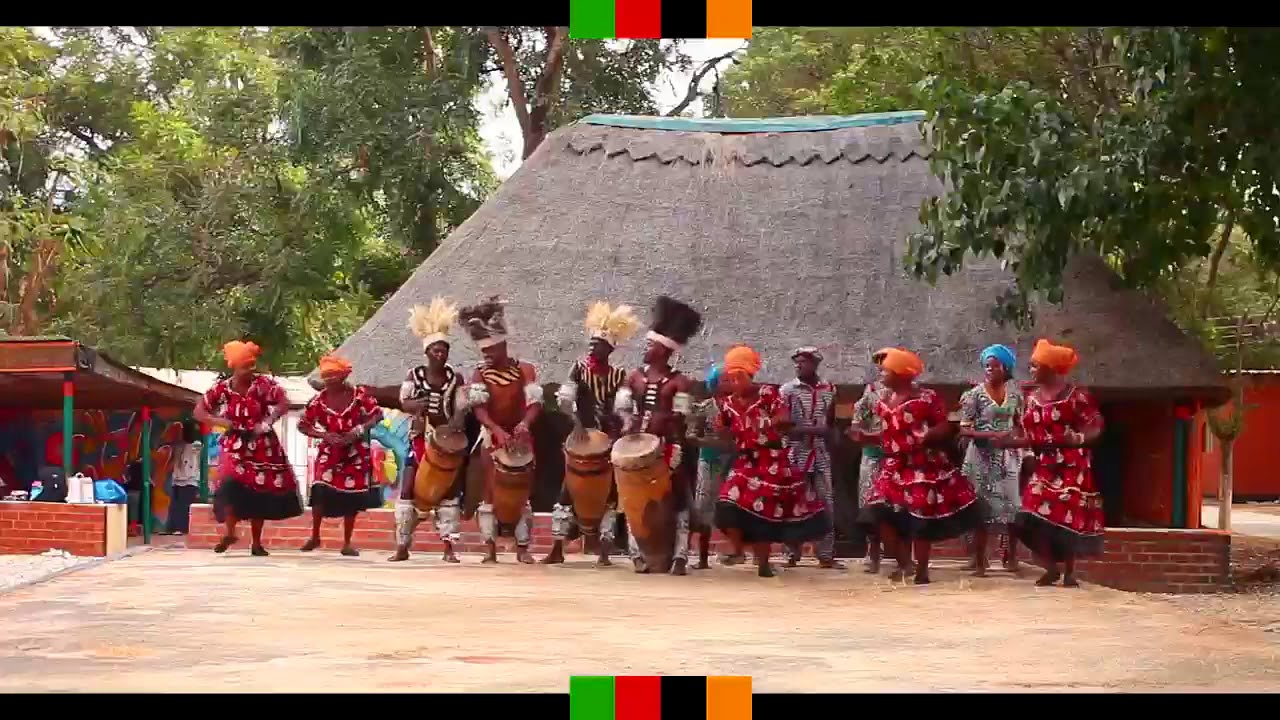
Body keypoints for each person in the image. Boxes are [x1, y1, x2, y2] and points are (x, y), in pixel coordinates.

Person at [852, 348, 984, 584]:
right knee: (877, 513)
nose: (880, 374)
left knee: (919, 519)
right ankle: (905, 563)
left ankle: (922, 571)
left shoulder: (926, 398)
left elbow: (944, 426)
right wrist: (866, 437)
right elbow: (887, 434)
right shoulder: (881, 401)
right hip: (894, 465)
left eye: (886, 370)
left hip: (923, 465)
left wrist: (930, 434)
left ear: (902, 373)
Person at [712, 345, 831, 578]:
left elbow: (783, 419)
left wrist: (775, 422)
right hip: (746, 461)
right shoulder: (728, 403)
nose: (734, 382)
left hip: (772, 461)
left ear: (750, 375)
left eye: (739, 376)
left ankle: (764, 564)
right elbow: (725, 431)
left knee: (763, 513)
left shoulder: (768, 394)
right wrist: (722, 431)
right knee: (727, 501)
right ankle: (738, 550)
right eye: (730, 378)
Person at [997, 339, 1105, 588]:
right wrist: (1008, 442)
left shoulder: (1076, 396)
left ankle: (1069, 572)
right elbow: (1029, 435)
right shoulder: (1031, 399)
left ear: (1052, 368)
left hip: (1072, 466)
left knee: (1065, 519)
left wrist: (1078, 438)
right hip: (1044, 466)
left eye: (1035, 365)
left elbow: (1096, 425)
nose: (1031, 370)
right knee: (1026, 516)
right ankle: (1051, 567)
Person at [545, 302, 638, 566]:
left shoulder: (619, 375)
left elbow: (624, 409)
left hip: (607, 441)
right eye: (591, 343)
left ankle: (605, 550)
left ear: (609, 348)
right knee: (567, 491)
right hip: (581, 438)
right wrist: (575, 423)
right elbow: (564, 399)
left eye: (597, 344)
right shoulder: (579, 369)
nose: (592, 347)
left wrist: (620, 431)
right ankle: (557, 548)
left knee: (609, 495)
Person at [616, 295, 703, 575]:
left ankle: (680, 555)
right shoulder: (633, 377)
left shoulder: (681, 382)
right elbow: (623, 406)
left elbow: (682, 415)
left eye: (651, 344)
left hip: (670, 447)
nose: (646, 347)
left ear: (665, 351)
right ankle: (636, 553)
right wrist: (629, 421)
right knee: (630, 497)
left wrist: (672, 432)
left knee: (678, 498)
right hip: (635, 445)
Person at [193, 341, 303, 556]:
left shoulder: (263, 384)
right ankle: (230, 532)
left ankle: (256, 543)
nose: (249, 371)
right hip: (235, 443)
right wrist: (223, 422)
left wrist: (268, 421)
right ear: (234, 366)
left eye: (252, 366)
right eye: (245, 367)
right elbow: (199, 411)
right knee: (230, 483)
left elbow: (283, 403)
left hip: (262, 443)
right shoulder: (222, 389)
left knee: (258, 492)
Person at [459, 297, 541, 564]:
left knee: (523, 491)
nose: (486, 356)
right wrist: (495, 429)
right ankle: (490, 547)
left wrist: (524, 425)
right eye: (483, 352)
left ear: (503, 345)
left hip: (521, 435)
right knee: (490, 490)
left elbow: (535, 402)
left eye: (490, 351)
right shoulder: (479, 374)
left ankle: (523, 548)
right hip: (492, 437)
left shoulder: (525, 369)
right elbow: (479, 408)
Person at [391, 298, 469, 563]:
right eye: (436, 350)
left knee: (448, 492)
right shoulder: (414, 375)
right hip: (419, 437)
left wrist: (458, 418)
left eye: (444, 350)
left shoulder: (455, 378)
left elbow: (461, 404)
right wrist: (416, 405)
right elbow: (403, 401)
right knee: (408, 490)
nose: (441, 354)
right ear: (427, 352)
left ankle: (449, 548)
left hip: (446, 439)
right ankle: (402, 546)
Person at [296, 354, 384, 556]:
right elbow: (303, 425)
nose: (329, 382)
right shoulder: (318, 401)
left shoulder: (359, 395)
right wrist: (324, 434)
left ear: (342, 377)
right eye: (326, 378)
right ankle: (315, 536)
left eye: (333, 378)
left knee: (351, 498)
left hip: (355, 452)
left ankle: (346, 543)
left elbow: (377, 414)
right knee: (319, 489)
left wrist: (359, 430)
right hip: (330, 451)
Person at [957, 344, 1025, 576]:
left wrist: (1020, 446)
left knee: (1013, 508)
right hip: (980, 457)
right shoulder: (973, 395)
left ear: (1006, 367)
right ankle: (979, 560)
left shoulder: (1015, 395)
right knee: (981, 509)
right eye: (987, 365)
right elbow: (964, 429)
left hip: (1007, 457)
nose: (989, 369)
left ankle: (1011, 556)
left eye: (994, 365)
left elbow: (1020, 424)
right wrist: (990, 435)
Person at [781, 347, 844, 570]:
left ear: (815, 364)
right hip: (795, 453)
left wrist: (827, 437)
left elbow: (831, 422)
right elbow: (783, 426)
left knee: (825, 502)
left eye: (803, 362)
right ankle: (791, 553)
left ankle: (826, 554)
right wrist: (811, 430)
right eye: (796, 362)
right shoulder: (787, 390)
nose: (798, 366)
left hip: (820, 454)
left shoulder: (829, 389)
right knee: (792, 502)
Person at [850, 348, 898, 574]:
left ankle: (901, 556)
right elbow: (857, 422)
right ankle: (873, 554)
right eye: (879, 365)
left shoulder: (909, 393)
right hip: (873, 457)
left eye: (886, 365)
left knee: (899, 507)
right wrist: (859, 433)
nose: (881, 369)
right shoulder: (870, 393)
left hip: (898, 458)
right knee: (871, 505)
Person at [690, 363, 734, 569]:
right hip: (709, 460)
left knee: (732, 506)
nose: (728, 384)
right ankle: (703, 558)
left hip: (731, 462)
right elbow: (694, 434)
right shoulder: (706, 407)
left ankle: (737, 551)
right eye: (724, 380)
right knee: (703, 508)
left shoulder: (736, 406)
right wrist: (707, 441)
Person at [162, 421, 202, 536]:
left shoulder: (196, 445)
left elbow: (198, 449)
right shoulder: (179, 446)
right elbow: (173, 462)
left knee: (184, 506)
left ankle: (182, 528)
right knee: (175, 505)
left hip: (190, 480)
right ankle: (172, 527)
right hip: (177, 480)